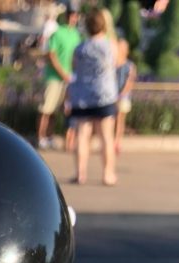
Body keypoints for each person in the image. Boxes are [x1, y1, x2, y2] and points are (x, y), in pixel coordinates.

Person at [67, 8, 117, 185]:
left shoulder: (80, 48)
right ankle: (107, 173)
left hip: (82, 96)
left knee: (82, 135)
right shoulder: (110, 46)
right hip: (104, 95)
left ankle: (80, 173)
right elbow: (116, 63)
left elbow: (73, 68)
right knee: (106, 136)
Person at [37, 7, 79, 151]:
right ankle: (41, 137)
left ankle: (49, 136)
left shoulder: (76, 34)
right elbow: (52, 55)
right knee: (46, 109)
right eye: (71, 16)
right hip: (54, 77)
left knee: (55, 110)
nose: (73, 18)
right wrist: (62, 73)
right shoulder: (57, 33)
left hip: (69, 78)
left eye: (75, 16)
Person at [114, 33, 134, 153]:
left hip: (123, 96)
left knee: (120, 119)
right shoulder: (114, 64)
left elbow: (129, 82)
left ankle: (117, 141)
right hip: (113, 95)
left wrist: (121, 94)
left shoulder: (129, 65)